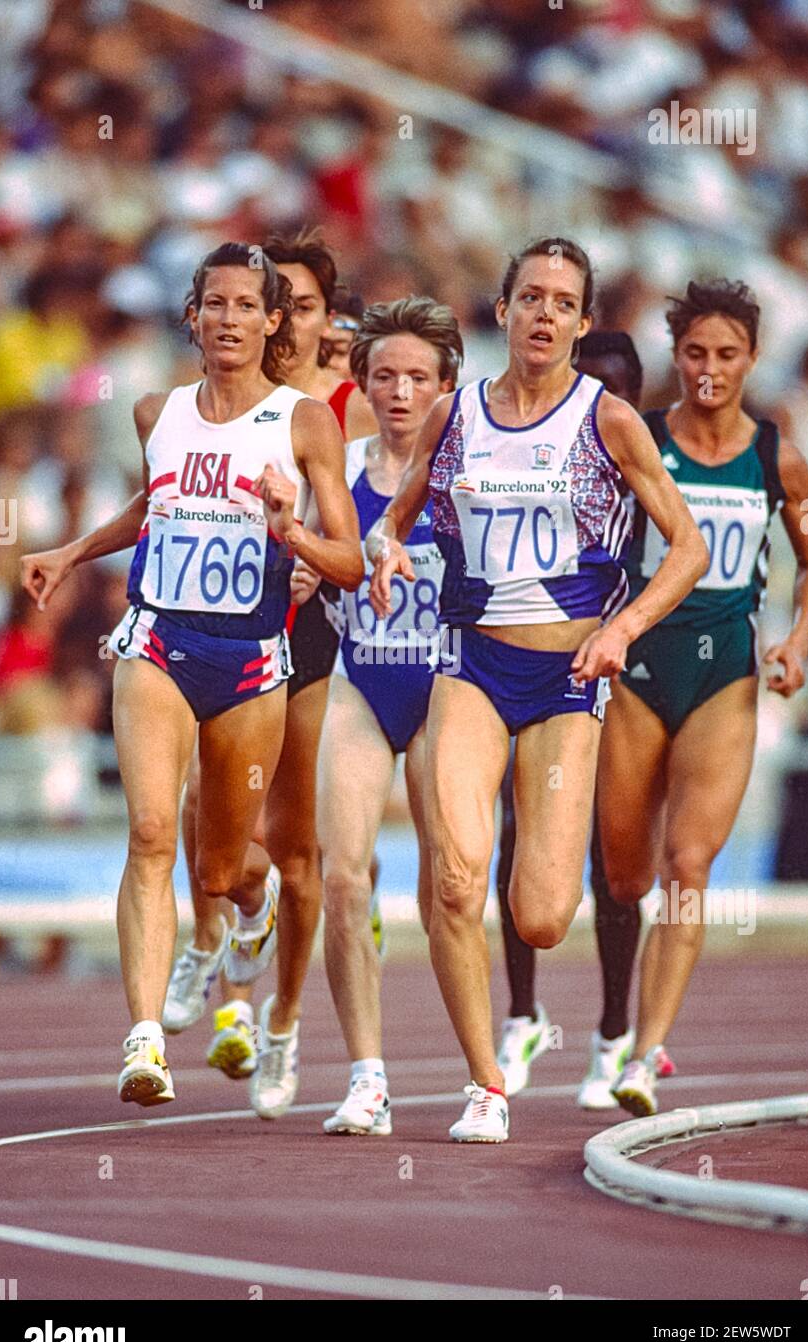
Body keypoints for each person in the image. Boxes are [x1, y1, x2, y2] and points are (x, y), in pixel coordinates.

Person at [366, 236, 707, 1142]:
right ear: (503, 311)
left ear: (582, 322)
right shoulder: (453, 414)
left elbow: (688, 548)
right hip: (470, 664)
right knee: (449, 878)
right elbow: (395, 519)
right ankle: (485, 1083)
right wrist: (387, 552)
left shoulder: (609, 421)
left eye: (563, 301)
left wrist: (621, 629)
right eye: (531, 297)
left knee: (543, 914)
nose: (545, 314)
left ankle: (553, 1018)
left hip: (565, 678)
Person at [20, 241, 363, 1106]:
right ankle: (143, 1040)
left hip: (251, 663)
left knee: (220, 868)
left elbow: (351, 560)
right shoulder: (156, 411)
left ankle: (251, 910)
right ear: (193, 315)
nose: (229, 319)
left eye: (248, 305)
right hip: (157, 646)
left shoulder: (303, 421)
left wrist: (290, 531)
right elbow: (156, 502)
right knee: (147, 833)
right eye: (215, 303)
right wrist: (71, 551)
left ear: (273, 322)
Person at [599, 279, 808, 1117]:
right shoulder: (640, 440)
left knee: (687, 863)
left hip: (724, 675)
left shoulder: (776, 455)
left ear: (750, 359)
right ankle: (622, 1021)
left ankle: (645, 1047)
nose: (708, 369)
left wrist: (795, 640)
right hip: (638, 673)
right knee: (624, 876)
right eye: (694, 352)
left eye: (725, 354)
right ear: (676, 355)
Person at [165, 231, 377, 1119]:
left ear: (327, 320)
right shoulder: (212, 401)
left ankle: (279, 1020)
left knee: (295, 851)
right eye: (262, 299)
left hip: (311, 636)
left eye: (295, 303)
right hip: (218, 632)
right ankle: (223, 963)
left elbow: (374, 530)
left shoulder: (349, 410)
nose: (275, 316)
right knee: (201, 809)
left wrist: (314, 547)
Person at [318, 296, 463, 1135]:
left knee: (447, 886)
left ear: (446, 386)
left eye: (416, 377)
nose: (399, 392)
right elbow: (308, 561)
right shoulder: (333, 470)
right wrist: (302, 568)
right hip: (361, 679)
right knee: (343, 876)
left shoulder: (467, 468)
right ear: (360, 382)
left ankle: (479, 1075)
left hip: (446, 685)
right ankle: (366, 1077)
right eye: (384, 376)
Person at [493, 331, 648, 1102]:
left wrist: (626, 633)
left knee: (613, 858)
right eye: (589, 383)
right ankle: (521, 1013)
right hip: (539, 668)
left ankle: (615, 1030)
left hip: (628, 672)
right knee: (518, 835)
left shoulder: (648, 464)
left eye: (616, 388)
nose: (598, 400)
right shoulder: (543, 458)